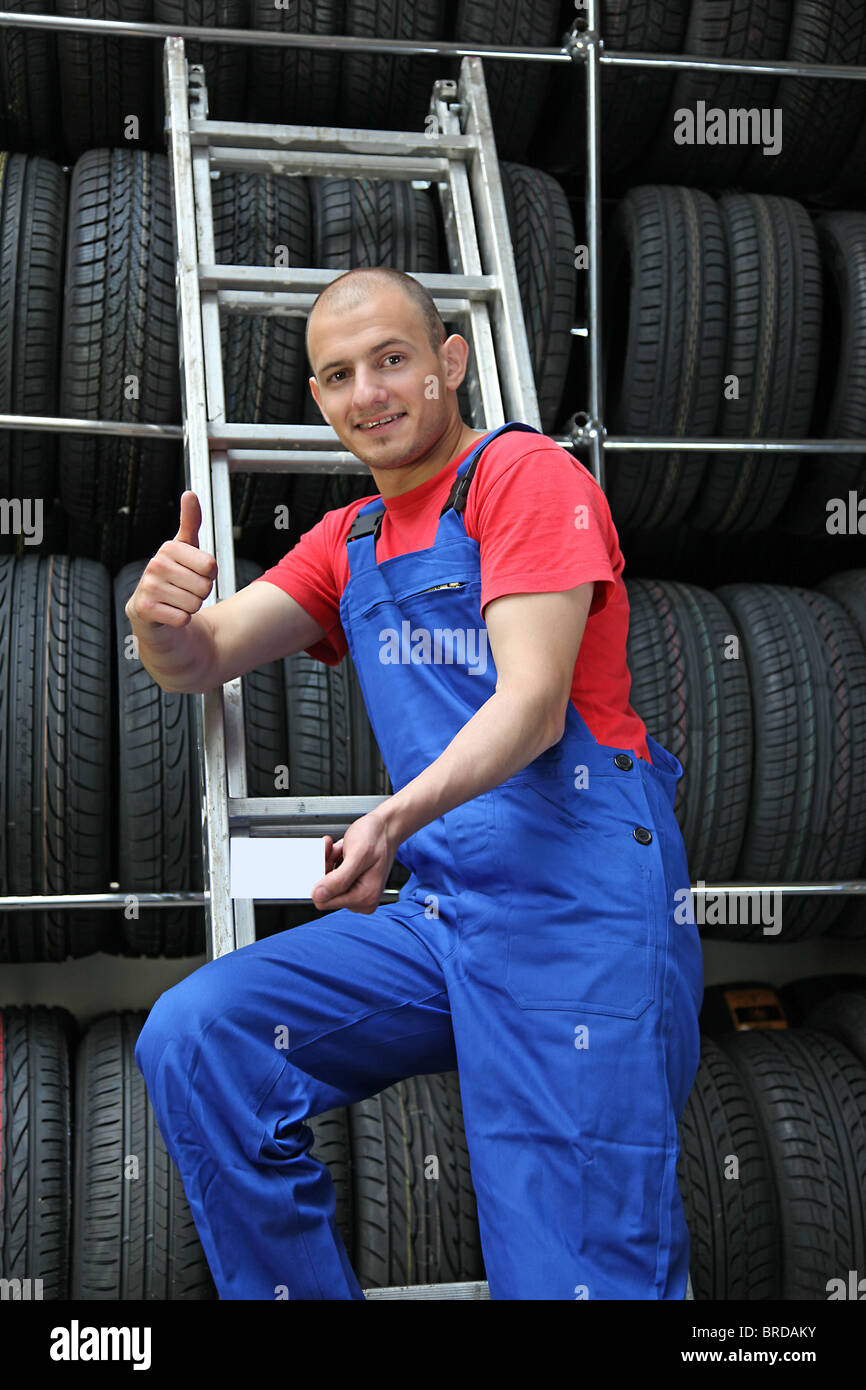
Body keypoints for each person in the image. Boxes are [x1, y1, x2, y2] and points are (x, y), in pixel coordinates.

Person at [129, 265, 705, 1300]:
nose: (368, 393)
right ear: (318, 398)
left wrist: (393, 817)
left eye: (391, 360)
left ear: (450, 362)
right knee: (200, 1035)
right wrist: (157, 627)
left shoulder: (521, 479)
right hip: (448, 916)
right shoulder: (347, 542)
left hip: (578, 918)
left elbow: (531, 707)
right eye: (338, 374)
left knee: (571, 1275)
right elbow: (204, 656)